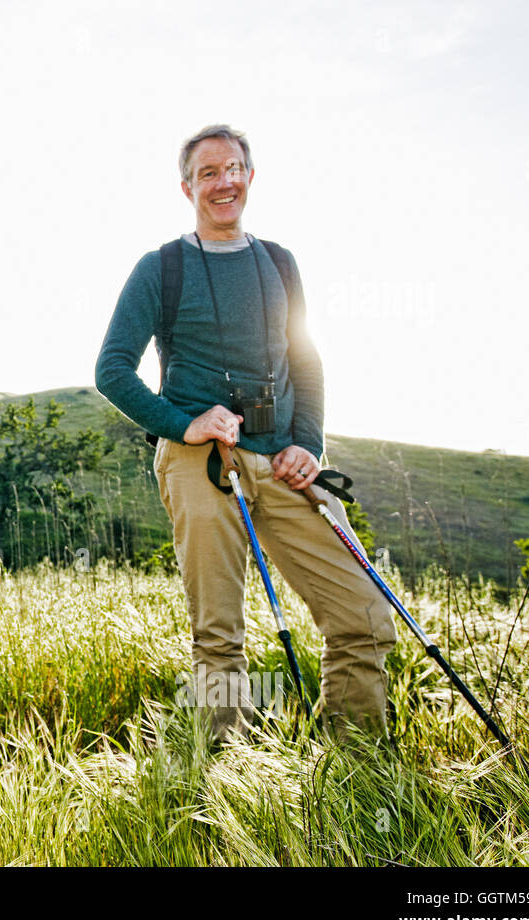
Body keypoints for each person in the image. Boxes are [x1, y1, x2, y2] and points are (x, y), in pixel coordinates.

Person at [95, 124, 396, 743]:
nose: (223, 182)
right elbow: (111, 370)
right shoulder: (162, 268)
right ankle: (224, 790)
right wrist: (184, 423)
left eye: (233, 169)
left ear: (250, 177)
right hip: (201, 464)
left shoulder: (280, 263)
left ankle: (358, 776)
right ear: (187, 188)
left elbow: (306, 362)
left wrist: (307, 446)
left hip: (283, 465)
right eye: (208, 173)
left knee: (364, 617)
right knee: (220, 638)